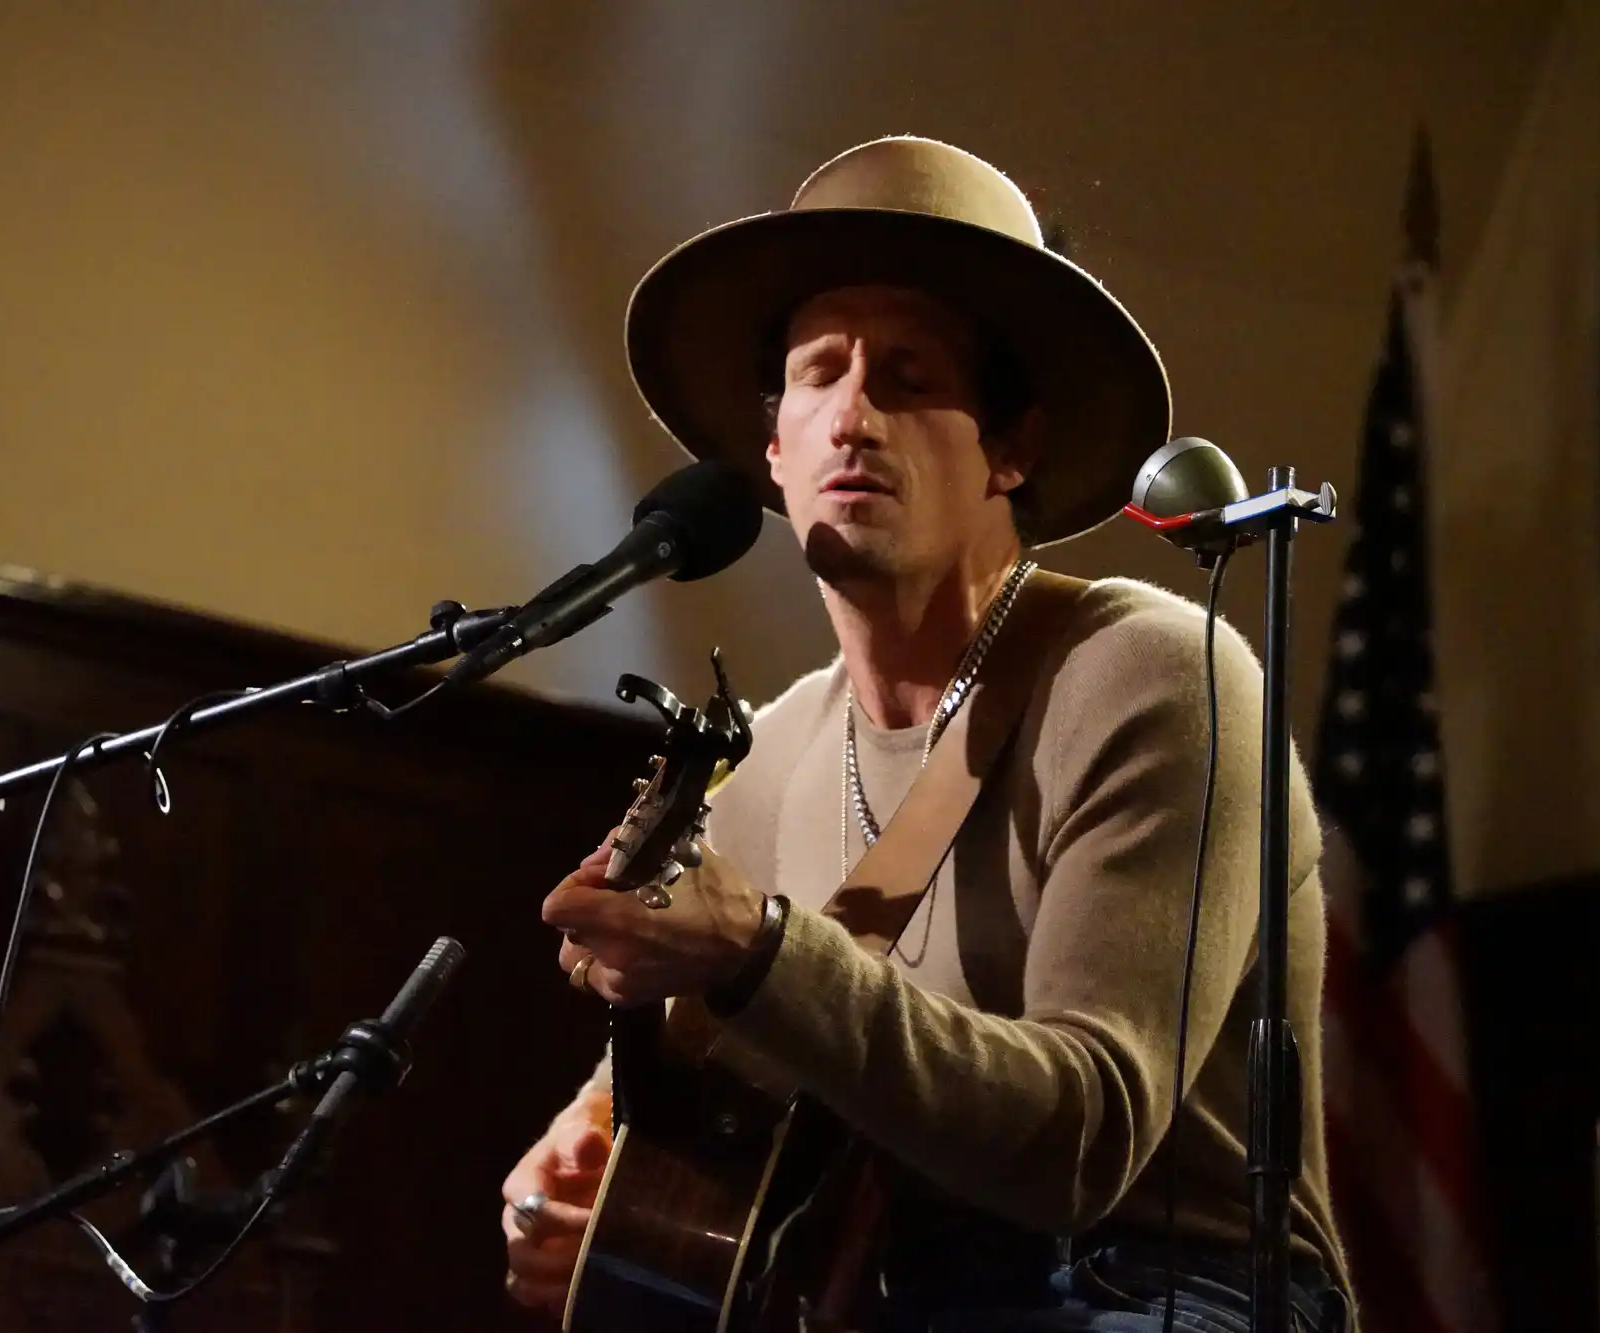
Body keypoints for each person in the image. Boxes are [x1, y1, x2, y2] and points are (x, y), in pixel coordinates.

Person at [498, 137, 1352, 1331]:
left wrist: (754, 945)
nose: (852, 414)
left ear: (1013, 449)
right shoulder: (774, 754)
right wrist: (576, 1163)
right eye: (818, 374)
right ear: (772, 449)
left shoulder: (1148, 673)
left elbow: (1085, 1136)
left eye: (906, 376)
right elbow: (694, 1087)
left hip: (1149, 1288)